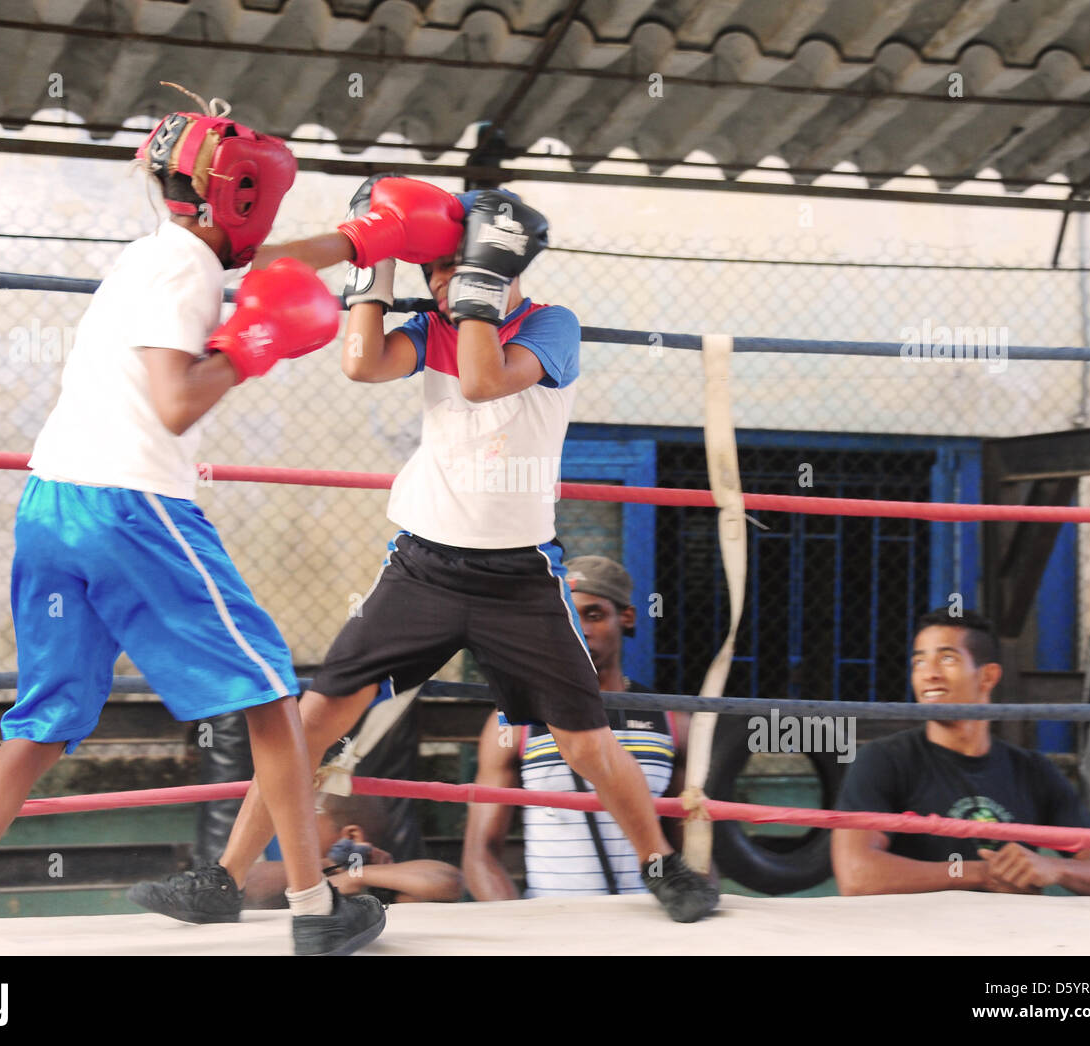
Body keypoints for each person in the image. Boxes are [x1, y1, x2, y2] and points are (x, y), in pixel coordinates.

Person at [0, 98, 397, 957]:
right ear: (244, 197)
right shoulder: (186, 271)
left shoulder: (157, 254)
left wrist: (367, 237)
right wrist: (253, 346)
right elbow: (176, 401)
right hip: (132, 507)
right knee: (269, 695)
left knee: (41, 723)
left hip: (50, 509)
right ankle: (313, 912)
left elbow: (275, 263)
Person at [129, 176, 717, 925]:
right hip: (423, 568)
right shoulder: (432, 326)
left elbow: (482, 382)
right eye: (432, 267)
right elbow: (360, 364)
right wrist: (372, 272)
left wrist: (479, 283)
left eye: (454, 265)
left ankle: (662, 865)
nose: (440, 281)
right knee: (310, 721)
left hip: (519, 578)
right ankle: (221, 881)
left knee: (586, 742)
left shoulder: (551, 325)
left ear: (499, 267)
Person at [831, 608, 1090, 897]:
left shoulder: (1032, 771)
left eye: (947, 659)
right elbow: (856, 875)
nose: (929, 674)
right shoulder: (884, 760)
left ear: (988, 676)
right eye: (919, 663)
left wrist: (1053, 868)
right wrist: (983, 873)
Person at [463, 555, 690, 898]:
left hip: (649, 930)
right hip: (554, 925)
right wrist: (521, 934)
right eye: (565, 616)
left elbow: (693, 849)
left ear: (626, 617)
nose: (580, 630)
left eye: (594, 615)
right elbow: (481, 854)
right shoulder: (514, 720)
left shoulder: (671, 721)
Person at [243, 792, 463, 908]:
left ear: (350, 836)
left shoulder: (387, 881)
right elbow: (244, 884)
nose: (290, 829)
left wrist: (355, 876)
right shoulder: (295, 879)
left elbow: (449, 882)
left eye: (304, 817)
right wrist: (330, 865)